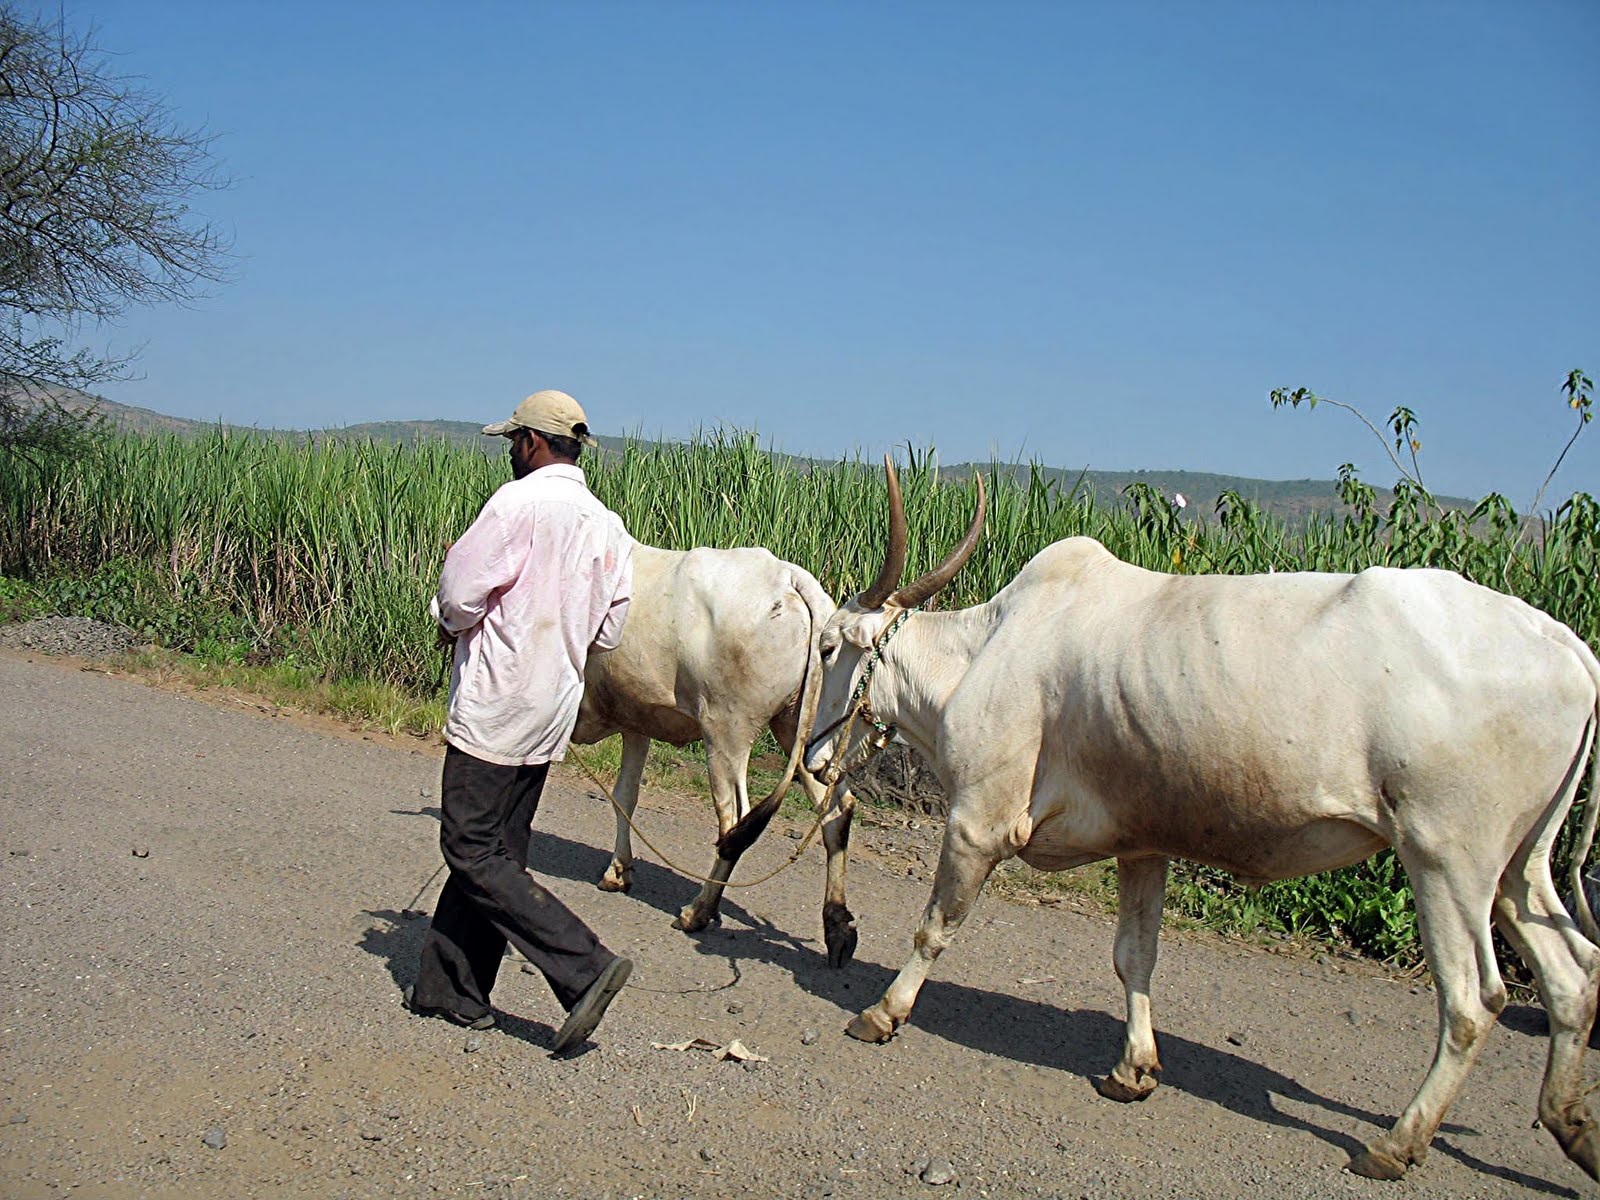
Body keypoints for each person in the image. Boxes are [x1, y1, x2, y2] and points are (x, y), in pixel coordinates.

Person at [405, 389, 635, 1053]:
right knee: (499, 850)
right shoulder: (606, 524)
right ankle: (452, 990)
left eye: (512, 440)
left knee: (469, 846)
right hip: (551, 706)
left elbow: (459, 596)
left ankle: (584, 966)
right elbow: (611, 628)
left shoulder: (516, 504)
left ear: (533, 442)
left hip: (499, 700)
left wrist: (451, 613)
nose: (510, 451)